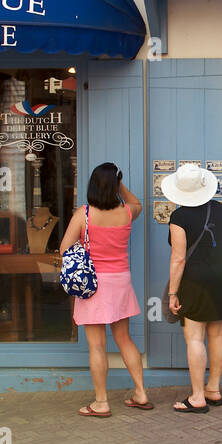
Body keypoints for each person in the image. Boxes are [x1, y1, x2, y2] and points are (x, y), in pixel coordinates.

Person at [58, 163, 150, 417]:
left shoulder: (84, 215)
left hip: (93, 284)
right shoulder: (127, 213)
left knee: (97, 345)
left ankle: (101, 402)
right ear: (115, 186)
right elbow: (137, 203)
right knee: (124, 339)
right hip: (120, 281)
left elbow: (65, 249)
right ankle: (141, 392)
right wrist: (118, 184)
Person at [163, 163, 222, 413]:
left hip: (195, 280)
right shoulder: (220, 210)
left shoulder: (179, 217)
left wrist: (173, 293)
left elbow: (179, 258)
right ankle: (213, 389)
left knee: (195, 337)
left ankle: (197, 397)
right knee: (217, 334)